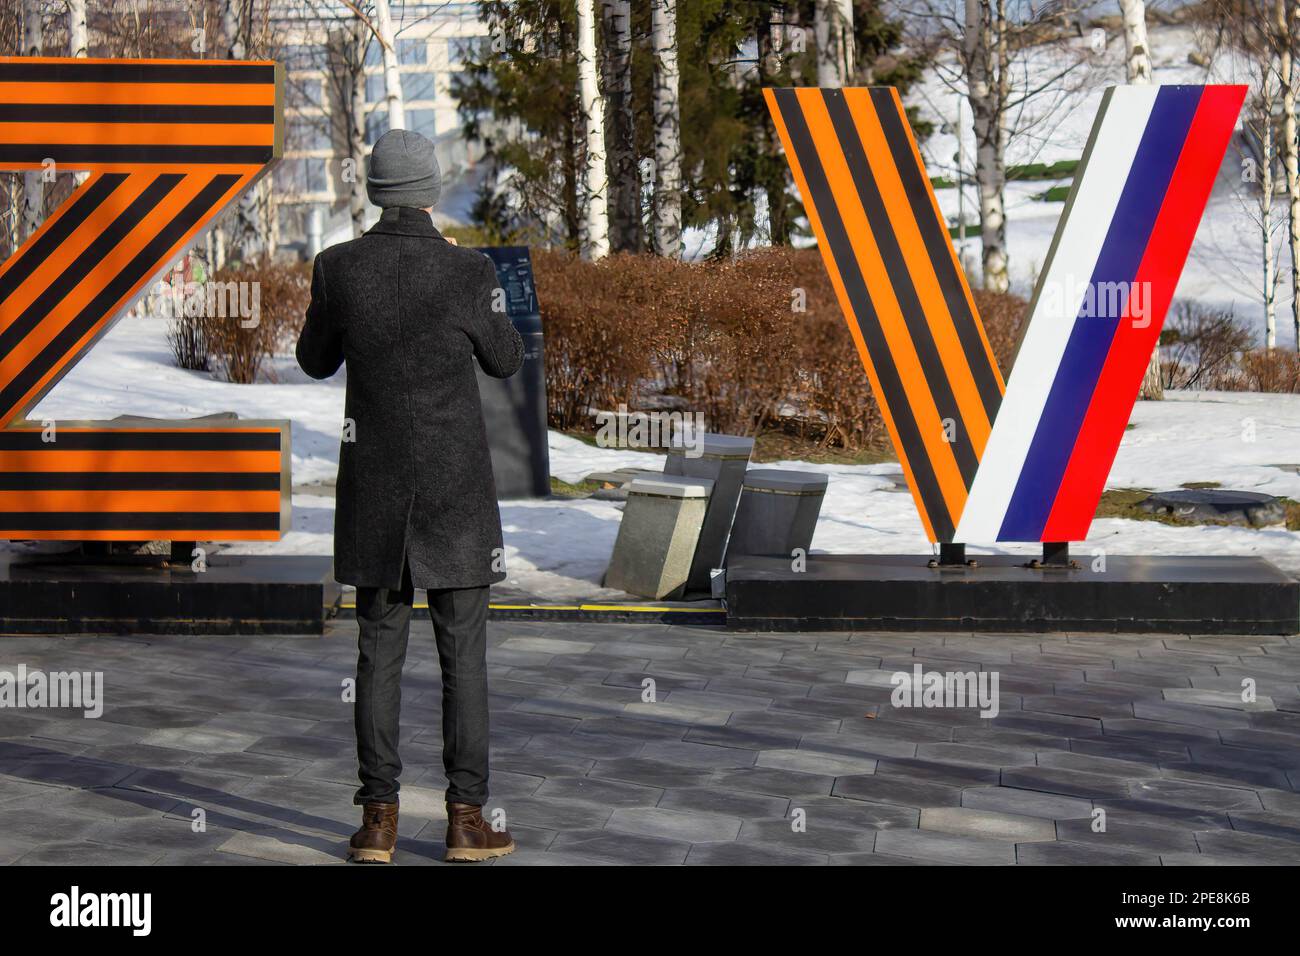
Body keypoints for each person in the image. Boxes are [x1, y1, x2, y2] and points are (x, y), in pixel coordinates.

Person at [296, 128, 524, 863]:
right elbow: (505, 359)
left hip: (374, 494)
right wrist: (477, 288)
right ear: (428, 191)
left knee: (377, 654)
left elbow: (312, 359)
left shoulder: (339, 268)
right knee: (465, 660)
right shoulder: (465, 271)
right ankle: (466, 821)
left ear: (374, 189)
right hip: (456, 495)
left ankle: (378, 823)